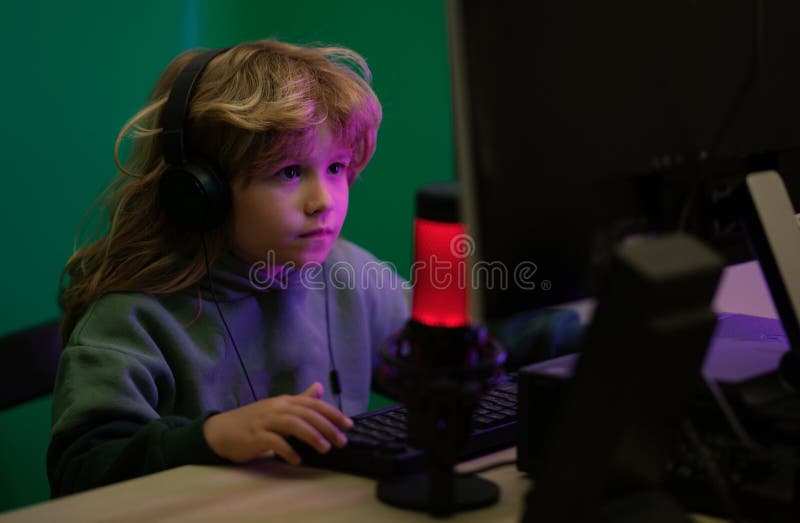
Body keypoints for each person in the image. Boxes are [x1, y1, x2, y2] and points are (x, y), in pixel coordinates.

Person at [48, 39, 409, 497]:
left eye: (336, 167)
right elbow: (79, 469)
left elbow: (439, 369)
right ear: (203, 190)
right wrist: (208, 439)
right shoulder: (133, 317)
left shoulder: (347, 274)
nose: (325, 202)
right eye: (291, 172)